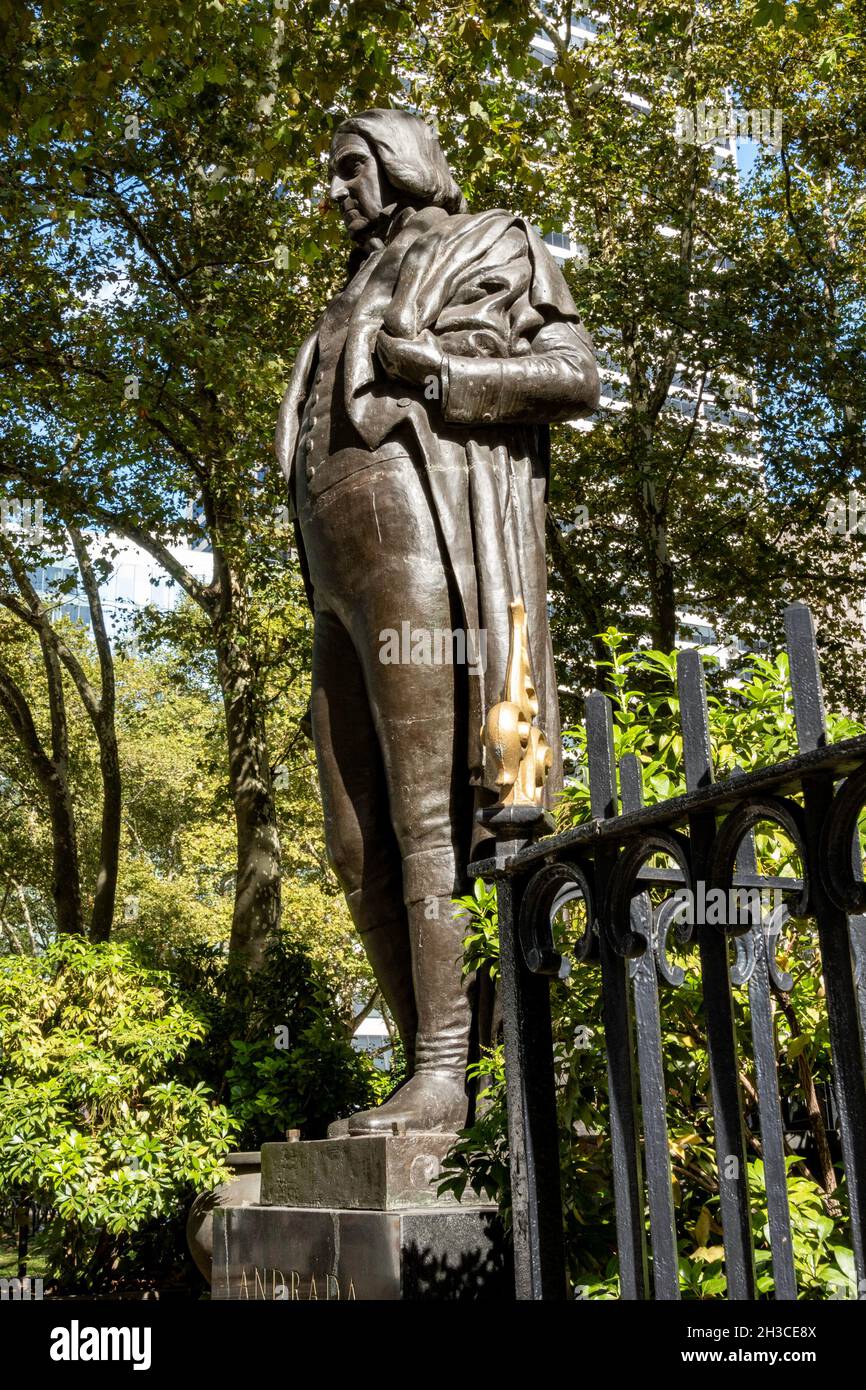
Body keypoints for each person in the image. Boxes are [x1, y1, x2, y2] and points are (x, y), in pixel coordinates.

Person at [276, 109, 599, 1135]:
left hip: (426, 534)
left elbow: (572, 376)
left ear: (403, 165)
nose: (334, 191)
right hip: (333, 561)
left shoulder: (490, 242)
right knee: (349, 833)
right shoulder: (338, 297)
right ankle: (427, 1061)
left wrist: (438, 373)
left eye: (350, 169)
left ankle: (446, 1071)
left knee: (429, 810)